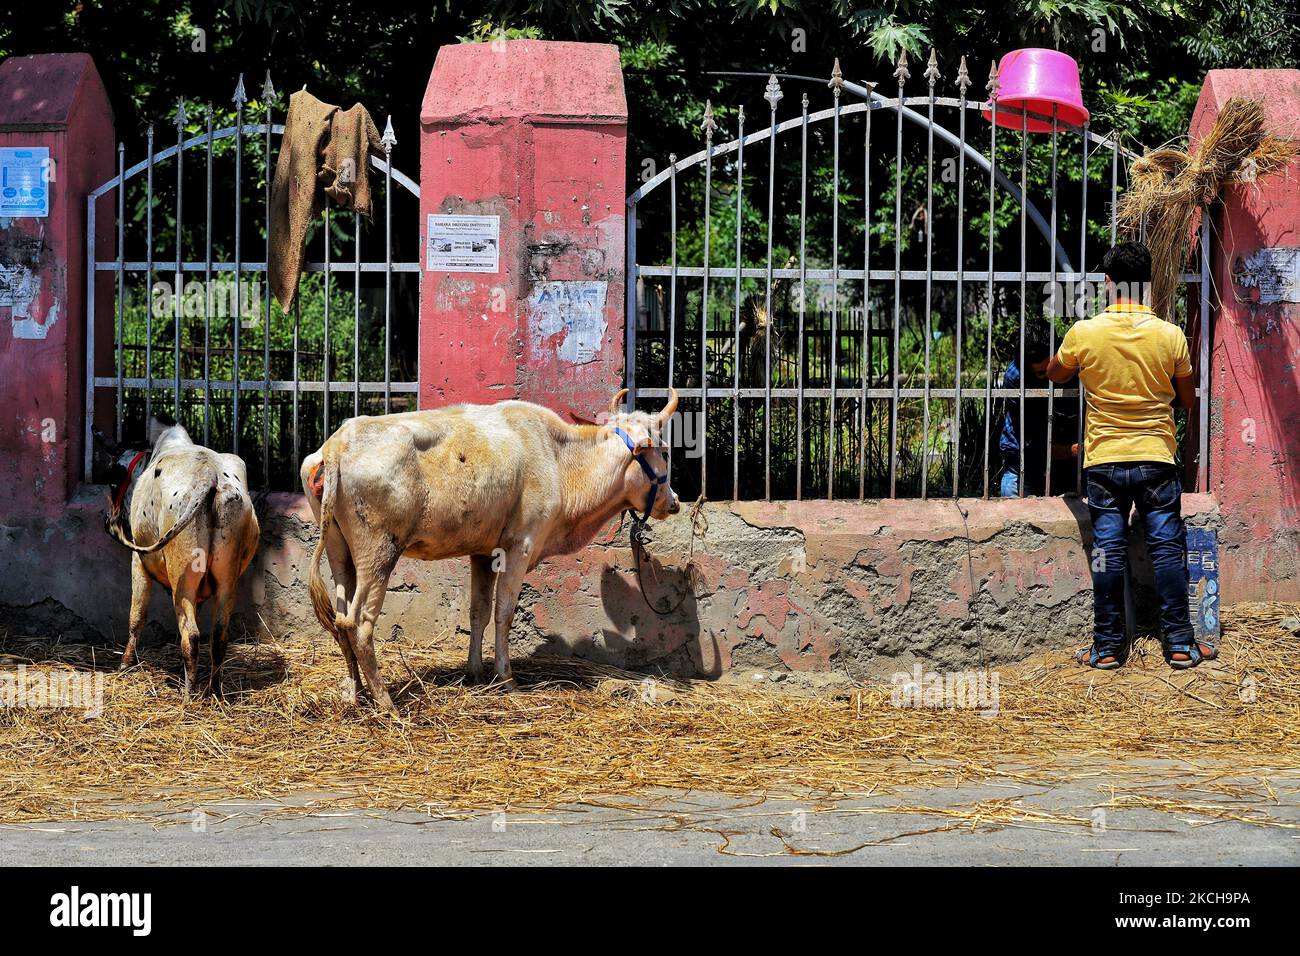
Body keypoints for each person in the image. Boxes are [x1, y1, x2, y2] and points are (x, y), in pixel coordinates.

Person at [1046, 241, 1213, 670]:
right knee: (1166, 551)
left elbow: (1055, 373)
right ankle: (1179, 643)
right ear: (1149, 283)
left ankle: (1106, 647)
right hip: (1156, 458)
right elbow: (1187, 401)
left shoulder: (1085, 334)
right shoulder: (1170, 335)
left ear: (1106, 282)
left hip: (1103, 461)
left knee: (1107, 552)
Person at [997, 320, 1078, 497]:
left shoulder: (1072, 366)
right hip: (1023, 457)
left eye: (1052, 368)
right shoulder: (1015, 376)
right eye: (1042, 373)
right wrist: (1066, 451)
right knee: (1015, 514)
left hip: (1067, 461)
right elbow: (1027, 430)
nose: (1050, 377)